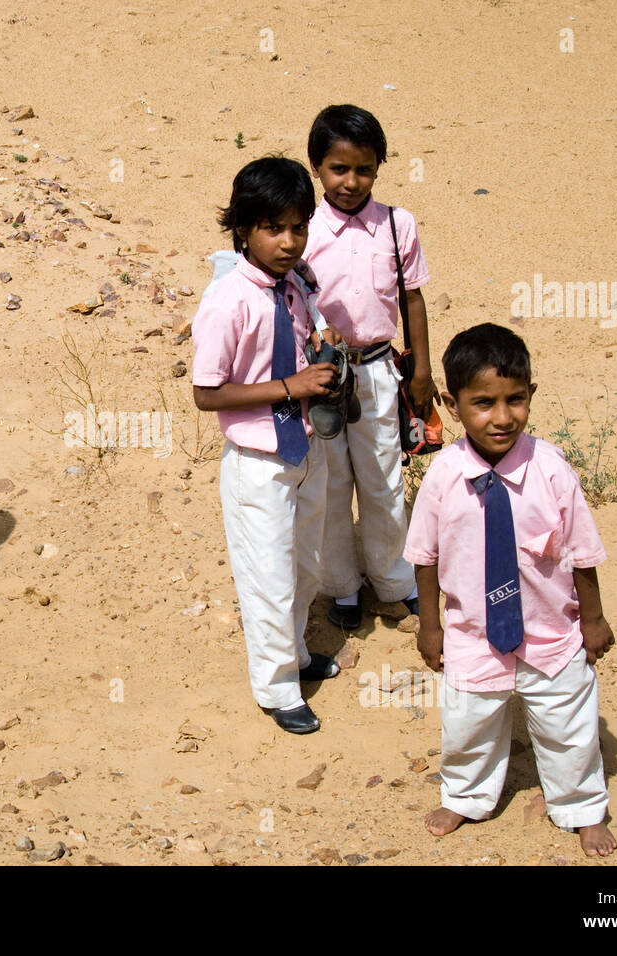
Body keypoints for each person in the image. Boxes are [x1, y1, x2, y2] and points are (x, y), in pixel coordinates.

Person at [403, 323, 617, 856]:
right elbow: (424, 559)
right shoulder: (444, 477)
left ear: (531, 395)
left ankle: (582, 806)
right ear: (452, 405)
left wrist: (592, 619)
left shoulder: (552, 472)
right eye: (483, 403)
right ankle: (465, 796)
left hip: (552, 634)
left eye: (514, 400)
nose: (502, 417)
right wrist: (431, 627)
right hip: (474, 636)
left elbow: (582, 554)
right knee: (468, 725)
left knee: (570, 727)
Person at [192, 156, 341, 735]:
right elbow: (207, 393)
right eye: (273, 228)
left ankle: (298, 656)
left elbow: (302, 339)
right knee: (268, 578)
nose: (288, 241)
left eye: (298, 227)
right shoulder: (228, 301)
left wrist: (322, 348)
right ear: (244, 230)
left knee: (306, 567)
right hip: (258, 462)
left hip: (305, 450)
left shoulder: (297, 285)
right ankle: (278, 689)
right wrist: (290, 386)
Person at [302, 104, 439, 629]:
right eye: (339, 169)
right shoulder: (304, 231)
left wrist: (421, 371)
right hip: (324, 377)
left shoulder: (397, 225)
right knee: (332, 485)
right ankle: (341, 586)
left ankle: (394, 580)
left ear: (379, 167)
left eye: (364, 169)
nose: (351, 181)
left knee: (384, 481)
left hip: (381, 372)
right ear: (317, 167)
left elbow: (414, 300)